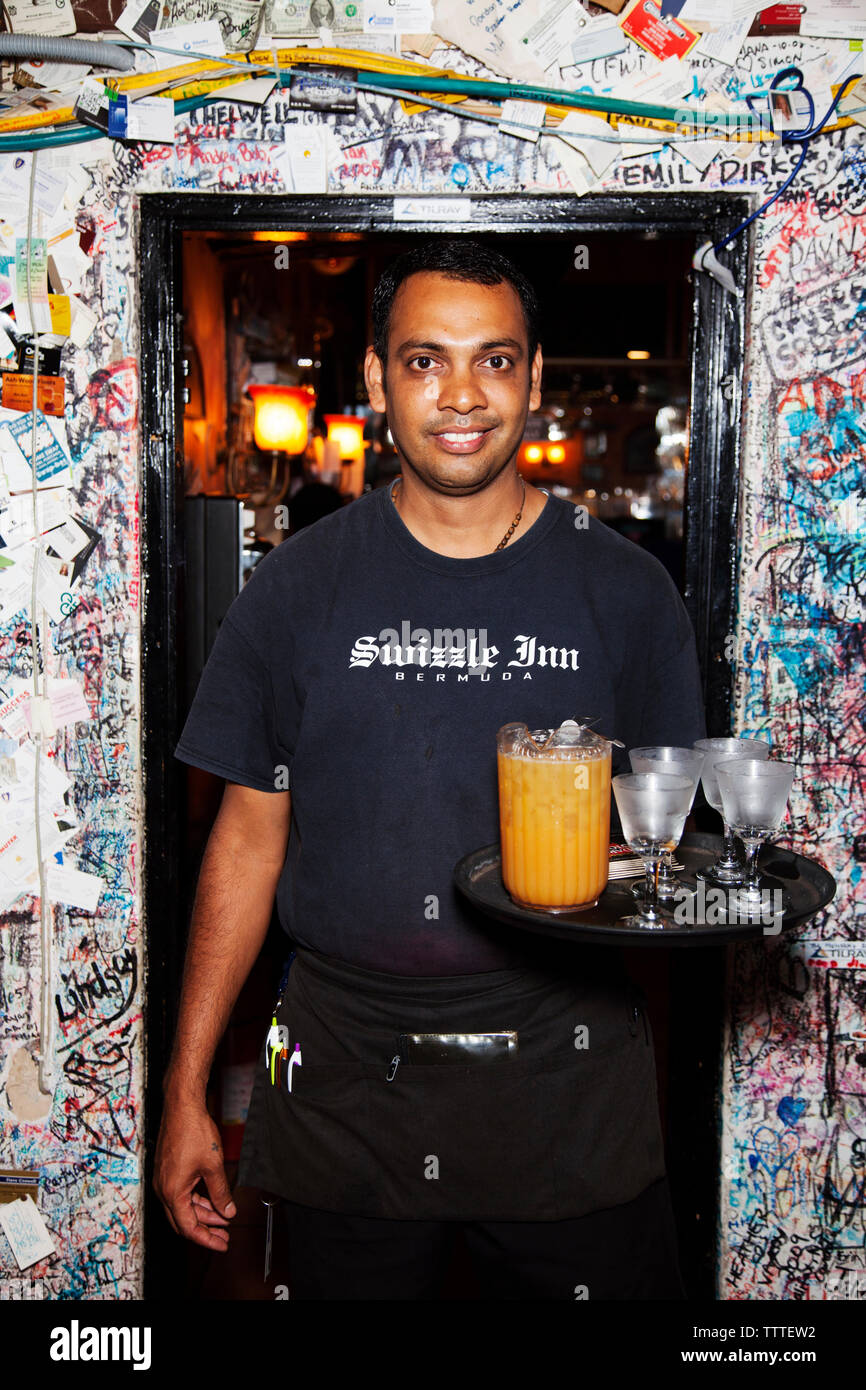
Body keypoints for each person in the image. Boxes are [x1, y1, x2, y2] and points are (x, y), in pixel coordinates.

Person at [154, 240, 707, 1300]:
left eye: (494, 361)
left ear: (534, 377)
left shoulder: (627, 592)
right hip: (343, 1082)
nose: (461, 394)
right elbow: (245, 837)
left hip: (565, 1076)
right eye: (422, 361)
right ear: (374, 379)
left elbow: (664, 840)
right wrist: (184, 1090)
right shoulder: (296, 587)